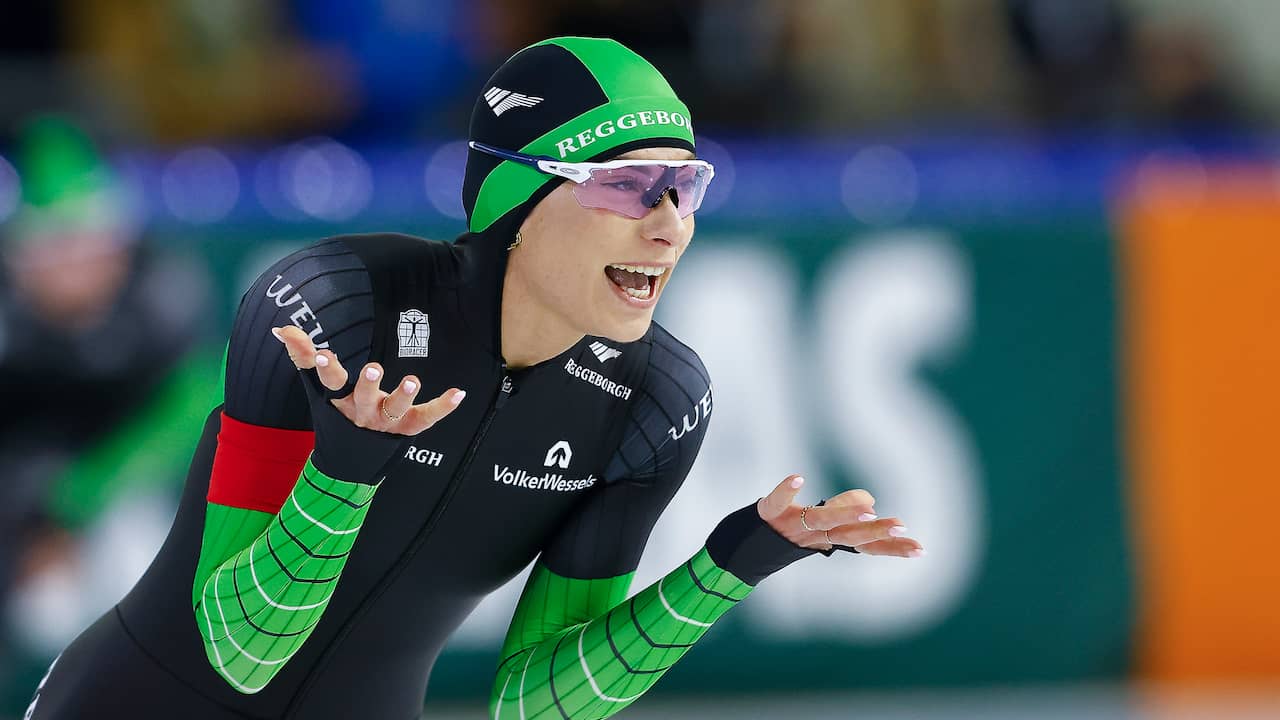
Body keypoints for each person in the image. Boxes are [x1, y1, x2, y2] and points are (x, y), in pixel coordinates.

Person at [25, 37, 923, 720]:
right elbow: (241, 653)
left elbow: (532, 702)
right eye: (624, 185)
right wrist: (342, 475)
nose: (668, 225)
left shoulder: (654, 404)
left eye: (682, 186)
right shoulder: (333, 309)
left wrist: (727, 568)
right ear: (516, 199)